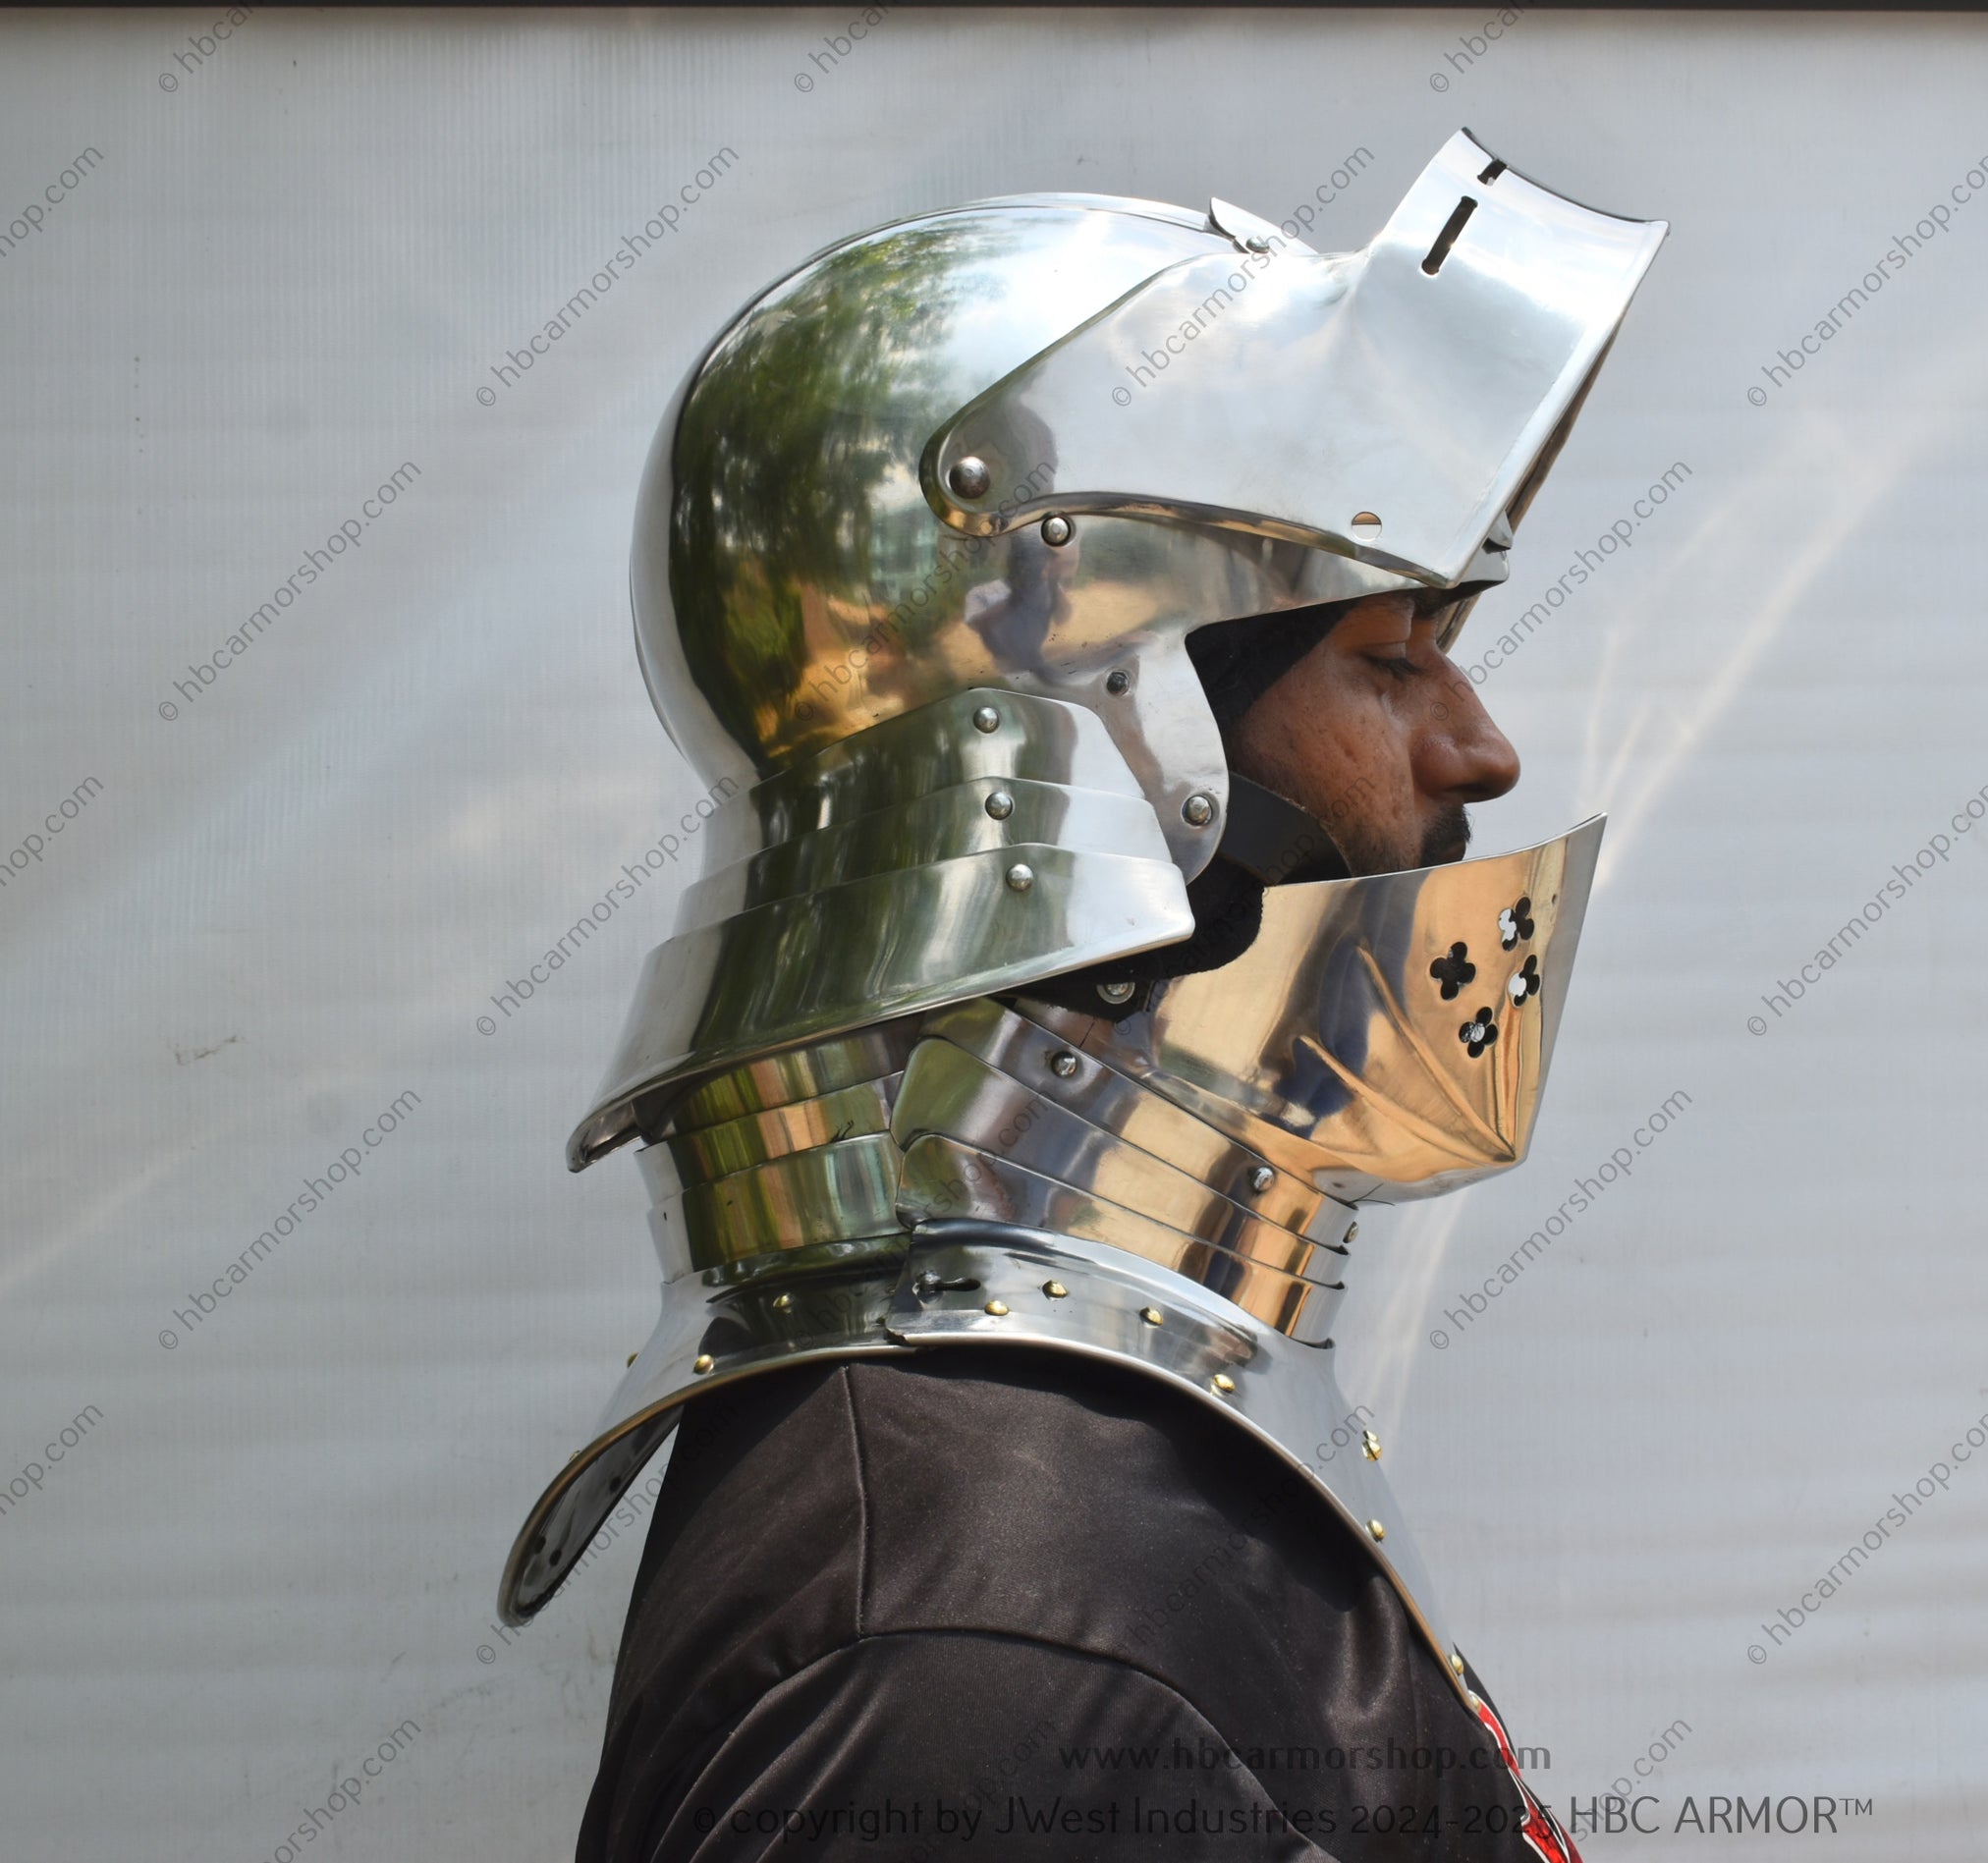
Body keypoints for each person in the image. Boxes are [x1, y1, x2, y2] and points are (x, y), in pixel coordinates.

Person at [498, 131, 1663, 1860]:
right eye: (1395, 655)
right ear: (1117, 747)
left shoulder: (1068, 1479)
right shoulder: (973, 1650)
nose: (1479, 750)